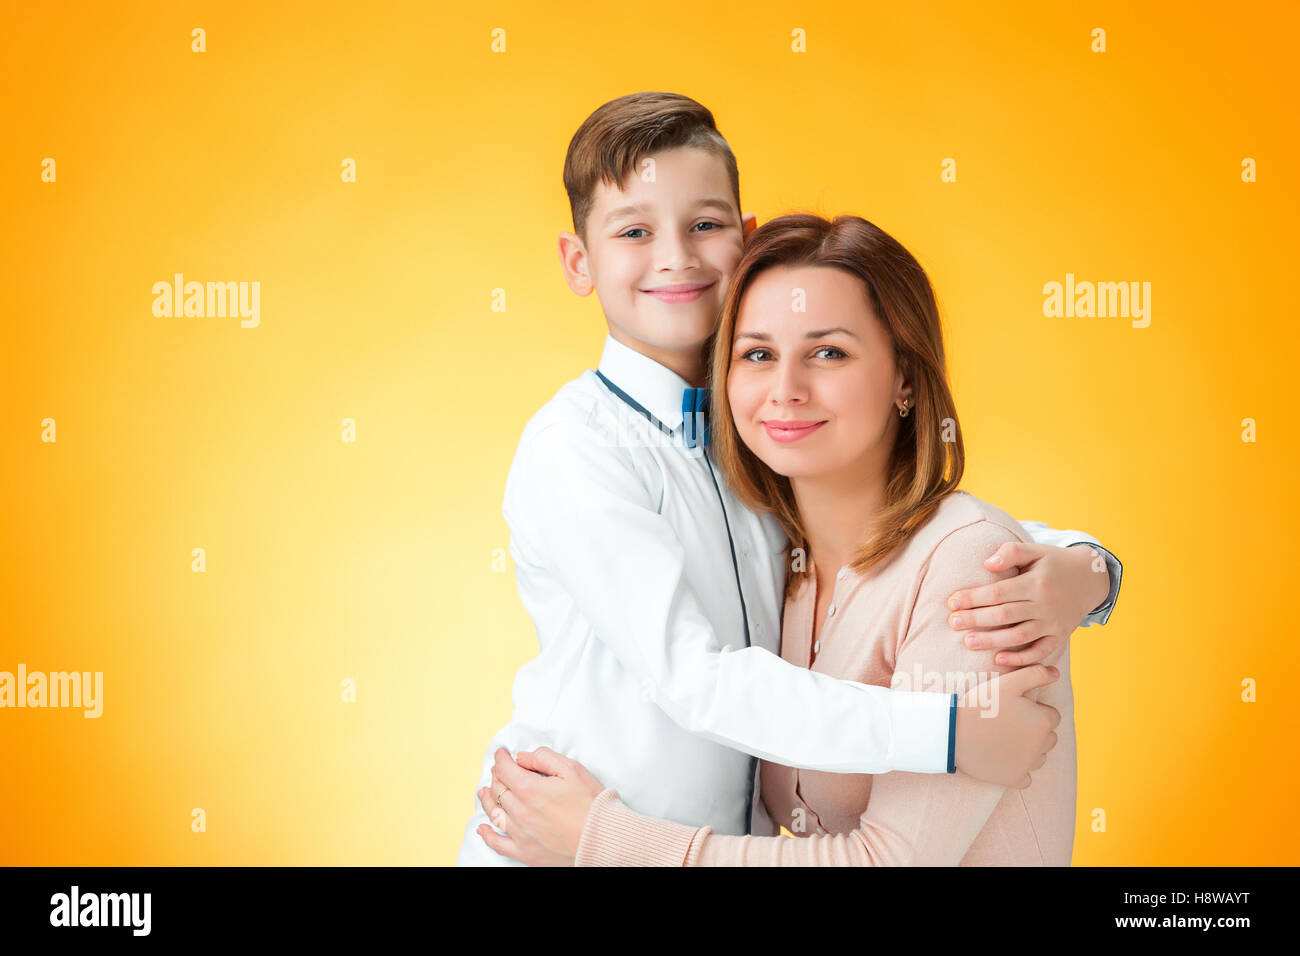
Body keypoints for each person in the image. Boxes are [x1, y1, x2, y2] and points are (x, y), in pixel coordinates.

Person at [457, 93, 1120, 867]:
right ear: (579, 262)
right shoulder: (577, 448)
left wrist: (1086, 569)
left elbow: (935, 548)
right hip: (557, 841)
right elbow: (697, 679)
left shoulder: (756, 460)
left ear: (743, 238)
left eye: (704, 225)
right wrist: (946, 731)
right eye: (635, 232)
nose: (675, 256)